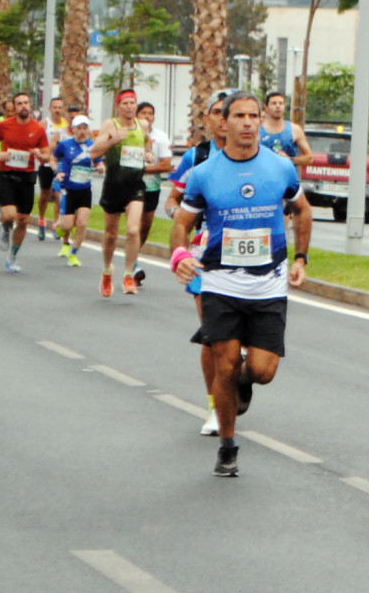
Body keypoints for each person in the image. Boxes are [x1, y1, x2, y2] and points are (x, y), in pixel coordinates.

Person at [171, 91, 310, 477]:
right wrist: (180, 256)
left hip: (269, 285)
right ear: (224, 122)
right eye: (240, 116)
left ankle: (245, 381)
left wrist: (301, 258)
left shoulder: (280, 168)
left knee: (262, 371)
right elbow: (182, 222)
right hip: (220, 283)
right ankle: (227, 446)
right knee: (225, 363)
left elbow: (302, 209)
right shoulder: (204, 173)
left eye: (254, 116)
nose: (248, 123)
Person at [170, 90, 239, 437]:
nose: (224, 118)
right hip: (204, 256)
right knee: (212, 335)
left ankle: (236, 382)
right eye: (217, 112)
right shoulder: (196, 156)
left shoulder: (256, 157)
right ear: (210, 119)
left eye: (229, 112)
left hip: (245, 258)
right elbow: (174, 199)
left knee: (239, 341)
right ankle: (215, 407)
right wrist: (180, 218)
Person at [87, 88, 150, 297]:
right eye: (125, 103)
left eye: (133, 103)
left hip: (135, 185)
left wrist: (148, 153)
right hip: (114, 184)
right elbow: (94, 152)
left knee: (133, 230)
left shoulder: (143, 125)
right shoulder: (110, 125)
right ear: (118, 106)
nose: (130, 107)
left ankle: (129, 275)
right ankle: (107, 271)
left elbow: (146, 141)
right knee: (111, 234)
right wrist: (113, 140)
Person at [0, 92, 51, 274]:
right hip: (7, 175)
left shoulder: (38, 129)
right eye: (19, 103)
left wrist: (41, 156)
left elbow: (47, 154)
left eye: (26, 103)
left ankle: (12, 257)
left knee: (23, 220)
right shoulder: (5, 125)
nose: (23, 106)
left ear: (30, 105)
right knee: (8, 215)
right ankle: (5, 229)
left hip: (27, 177)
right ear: (14, 107)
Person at [133, 100, 177, 285]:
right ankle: (133, 265)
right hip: (132, 186)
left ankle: (133, 256)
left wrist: (142, 169)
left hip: (152, 188)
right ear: (137, 116)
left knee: (145, 227)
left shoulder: (161, 136)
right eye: (144, 113)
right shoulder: (131, 135)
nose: (148, 116)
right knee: (133, 226)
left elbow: (166, 165)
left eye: (151, 113)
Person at [51, 115, 97, 266]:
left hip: (85, 189)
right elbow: (53, 158)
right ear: (73, 130)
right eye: (79, 128)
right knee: (67, 225)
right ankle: (59, 225)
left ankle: (74, 253)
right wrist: (57, 172)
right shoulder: (65, 145)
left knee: (83, 223)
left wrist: (102, 167)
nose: (82, 131)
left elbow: (99, 161)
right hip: (68, 189)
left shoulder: (92, 145)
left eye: (85, 128)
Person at [36, 96, 71, 240]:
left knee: (58, 195)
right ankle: (41, 220)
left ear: (63, 109)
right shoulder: (45, 123)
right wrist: (41, 153)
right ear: (50, 109)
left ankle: (56, 224)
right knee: (45, 194)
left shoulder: (67, 124)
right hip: (46, 163)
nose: (57, 110)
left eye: (60, 107)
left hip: (61, 164)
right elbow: (36, 138)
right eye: (55, 107)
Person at [259, 91, 314, 168]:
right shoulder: (258, 130)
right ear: (266, 108)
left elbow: (309, 158)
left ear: (284, 107)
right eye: (274, 103)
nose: (278, 106)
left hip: (287, 176)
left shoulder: (294, 129)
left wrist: (290, 160)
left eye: (281, 103)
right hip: (264, 176)